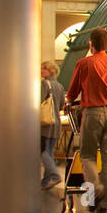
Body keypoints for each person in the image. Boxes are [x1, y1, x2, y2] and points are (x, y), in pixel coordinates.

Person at [66, 26, 107, 213]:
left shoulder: (84, 63)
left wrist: (70, 100)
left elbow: (73, 91)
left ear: (91, 44)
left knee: (87, 155)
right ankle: (104, 203)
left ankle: (94, 186)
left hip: (93, 113)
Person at [40, 60, 66, 190]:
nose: (41, 70)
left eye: (43, 68)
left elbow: (38, 102)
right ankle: (46, 181)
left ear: (50, 70)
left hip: (45, 124)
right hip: (56, 123)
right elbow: (62, 105)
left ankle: (55, 175)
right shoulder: (60, 86)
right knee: (49, 151)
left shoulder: (44, 84)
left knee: (41, 151)